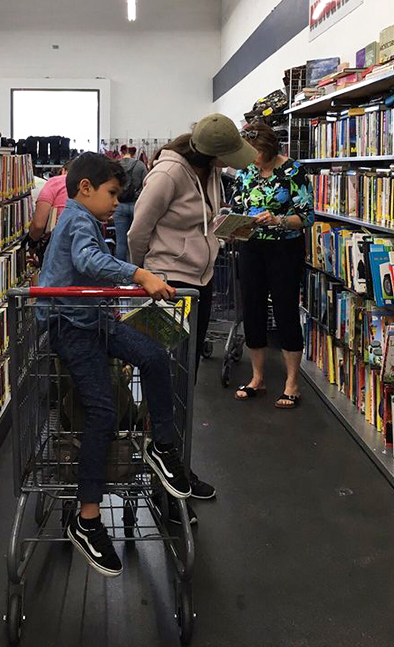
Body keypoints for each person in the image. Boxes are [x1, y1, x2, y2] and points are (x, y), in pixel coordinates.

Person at [38, 152, 191, 578]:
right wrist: (139, 275)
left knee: (154, 355)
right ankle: (86, 520)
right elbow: (88, 261)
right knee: (102, 412)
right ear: (85, 188)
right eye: (111, 194)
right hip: (72, 326)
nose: (115, 203)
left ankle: (161, 445)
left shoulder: (87, 218)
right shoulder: (77, 219)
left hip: (95, 320)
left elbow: (89, 267)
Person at [128, 114, 257, 504]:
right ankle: (163, 469)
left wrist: (224, 231)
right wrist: (144, 277)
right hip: (167, 287)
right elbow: (138, 231)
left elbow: (202, 221)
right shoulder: (168, 174)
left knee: (186, 381)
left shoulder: (211, 172)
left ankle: (177, 466)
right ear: (211, 154)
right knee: (165, 378)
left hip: (199, 285)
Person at [231, 121, 314, 409]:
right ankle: (258, 378)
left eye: (257, 152)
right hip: (251, 245)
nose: (253, 158)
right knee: (252, 308)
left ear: (270, 148)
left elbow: (307, 216)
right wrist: (232, 223)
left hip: (284, 247)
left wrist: (278, 220)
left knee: (285, 309)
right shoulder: (245, 172)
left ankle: (292, 382)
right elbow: (237, 206)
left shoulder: (293, 170)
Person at [113, 147, 146, 260]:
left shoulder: (115, 166)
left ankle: (120, 273)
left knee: (120, 242)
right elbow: (146, 185)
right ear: (134, 153)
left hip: (119, 205)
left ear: (121, 153)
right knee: (136, 240)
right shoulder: (140, 165)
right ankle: (135, 270)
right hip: (136, 206)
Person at [28, 162, 71, 242]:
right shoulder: (93, 187)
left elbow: (39, 225)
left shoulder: (55, 182)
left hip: (58, 241)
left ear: (63, 171)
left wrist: (32, 242)